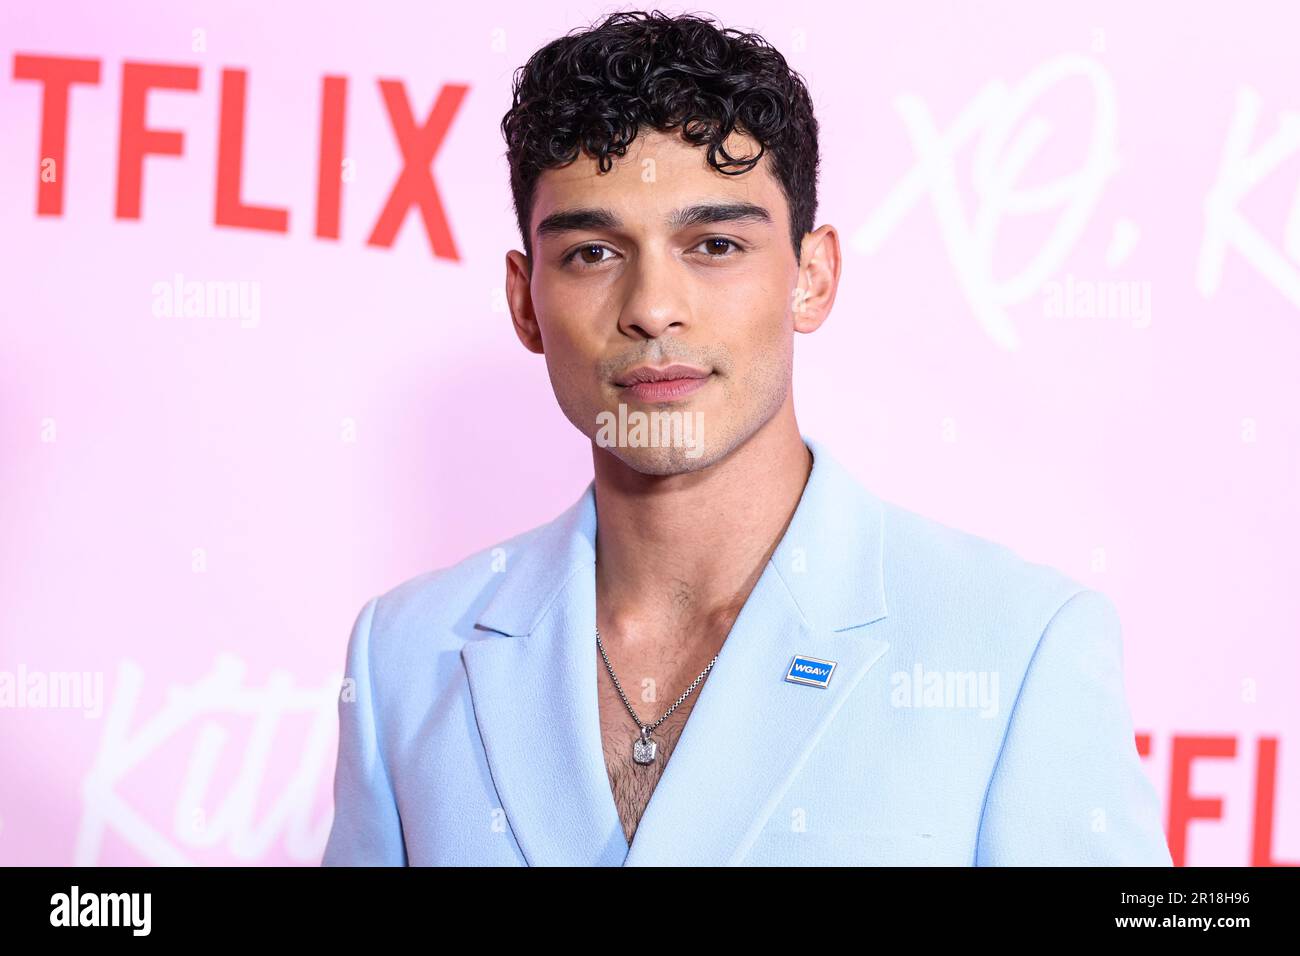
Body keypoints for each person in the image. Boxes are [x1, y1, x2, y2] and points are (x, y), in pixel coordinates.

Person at [322, 9, 1172, 866]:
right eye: (592, 253)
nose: (653, 306)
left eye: (716, 244)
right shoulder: (404, 655)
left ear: (812, 276)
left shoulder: (1017, 644)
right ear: (524, 300)